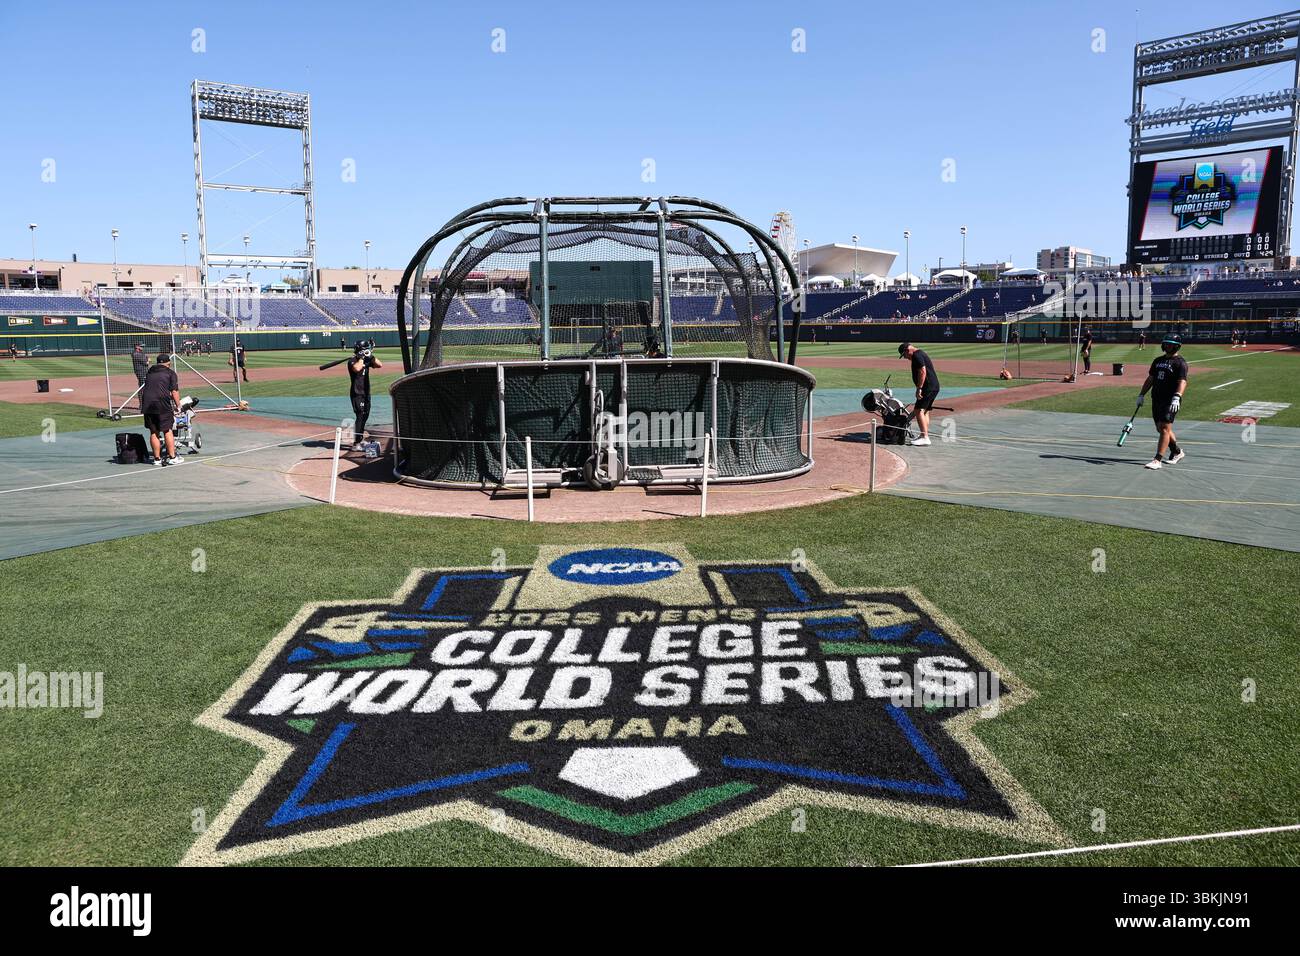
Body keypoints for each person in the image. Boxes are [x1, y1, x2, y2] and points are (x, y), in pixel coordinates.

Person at [1137, 334, 1188, 470]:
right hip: (1157, 399)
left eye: (1170, 344)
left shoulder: (1180, 363)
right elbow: (1151, 379)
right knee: (1160, 428)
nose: (1167, 346)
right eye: (1166, 344)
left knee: (1165, 428)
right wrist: (1141, 394)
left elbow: (1182, 381)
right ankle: (1177, 452)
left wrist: (1177, 396)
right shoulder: (1158, 360)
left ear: (1177, 346)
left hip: (1170, 400)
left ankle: (1157, 460)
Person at [141, 354, 184, 466]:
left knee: (154, 431)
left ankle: (156, 459)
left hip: (147, 404)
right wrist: (178, 405)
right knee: (167, 430)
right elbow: (174, 391)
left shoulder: (150, 371)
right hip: (161, 405)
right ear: (168, 363)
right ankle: (172, 457)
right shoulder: (170, 373)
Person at [898, 342, 940, 446]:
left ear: (907, 350)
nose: (905, 358)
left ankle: (924, 437)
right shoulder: (920, 353)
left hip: (928, 387)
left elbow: (922, 371)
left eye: (904, 355)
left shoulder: (916, 355)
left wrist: (919, 388)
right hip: (934, 386)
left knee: (918, 410)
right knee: (925, 411)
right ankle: (924, 435)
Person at [346, 340, 383, 451]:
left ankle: (360, 439)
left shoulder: (367, 359)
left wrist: (371, 356)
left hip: (366, 393)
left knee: (365, 415)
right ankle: (356, 443)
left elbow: (380, 365)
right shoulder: (352, 361)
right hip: (357, 393)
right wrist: (361, 358)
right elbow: (357, 368)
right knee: (360, 416)